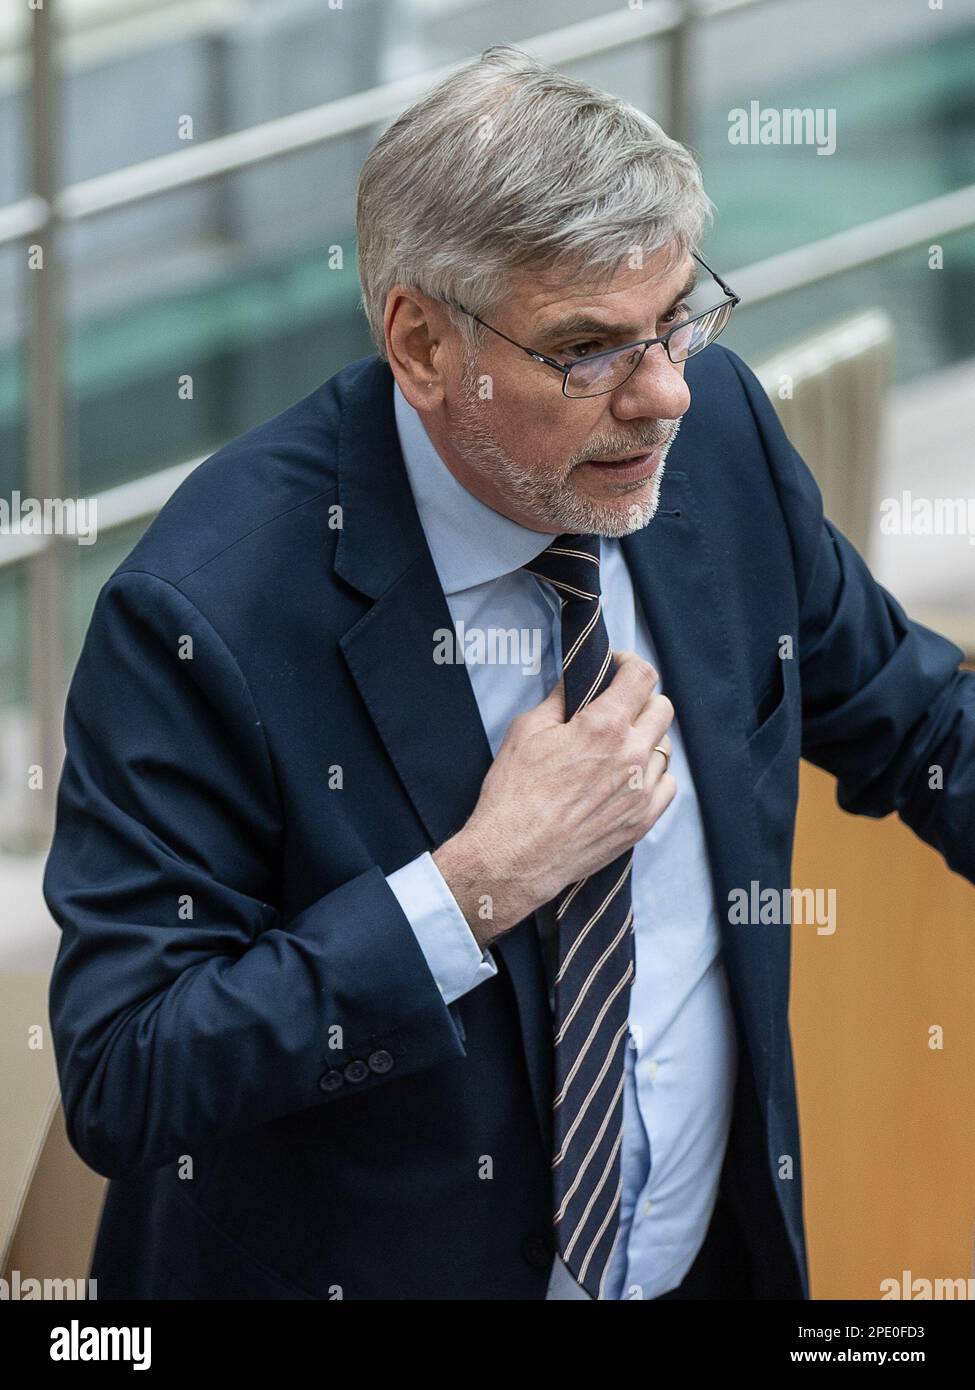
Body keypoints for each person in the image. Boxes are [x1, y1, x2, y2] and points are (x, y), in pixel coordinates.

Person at [44, 44, 975, 1301]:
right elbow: (127, 1071)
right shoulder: (206, 610)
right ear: (422, 343)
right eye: (586, 348)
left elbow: (917, 719)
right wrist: (476, 885)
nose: (661, 398)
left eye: (675, 322)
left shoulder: (723, 442)